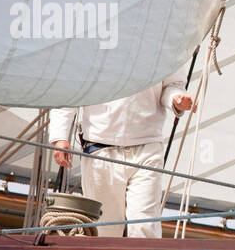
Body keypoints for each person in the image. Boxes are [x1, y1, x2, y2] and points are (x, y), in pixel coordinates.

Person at [50, 67, 193, 238]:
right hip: (100, 149)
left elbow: (172, 84)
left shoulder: (163, 42)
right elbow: (72, 86)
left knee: (144, 228)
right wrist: (60, 136)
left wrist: (175, 98)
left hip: (147, 148)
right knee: (103, 230)